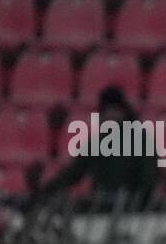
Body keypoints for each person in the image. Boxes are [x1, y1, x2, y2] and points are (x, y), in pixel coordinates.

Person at [31, 85, 159, 210]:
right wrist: (46, 190)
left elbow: (148, 176)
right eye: (106, 111)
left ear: (123, 112)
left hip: (131, 208)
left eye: (113, 110)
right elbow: (73, 172)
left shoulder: (140, 140)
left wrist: (138, 201)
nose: (109, 116)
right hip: (102, 205)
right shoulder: (97, 142)